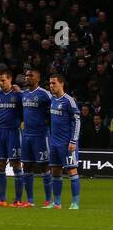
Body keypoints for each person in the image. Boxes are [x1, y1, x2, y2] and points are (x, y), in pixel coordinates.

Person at [46, 73, 80, 210]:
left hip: (67, 144)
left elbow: (77, 121)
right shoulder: (53, 99)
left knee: (72, 171)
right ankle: (57, 203)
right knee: (55, 171)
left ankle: (75, 203)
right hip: (54, 143)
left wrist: (73, 140)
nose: (51, 86)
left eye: (54, 83)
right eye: (50, 83)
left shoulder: (69, 101)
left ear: (61, 84)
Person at [0, 66, 25, 207]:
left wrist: (21, 92)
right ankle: (2, 199)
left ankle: (17, 200)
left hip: (14, 132)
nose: (0, 83)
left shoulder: (18, 95)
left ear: (10, 79)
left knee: (16, 164)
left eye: (3, 80)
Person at [19, 65, 51, 207]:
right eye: (26, 75)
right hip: (26, 136)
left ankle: (49, 200)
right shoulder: (24, 94)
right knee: (26, 166)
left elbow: (55, 106)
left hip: (40, 135)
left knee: (44, 166)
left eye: (31, 75)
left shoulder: (44, 94)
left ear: (38, 78)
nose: (27, 77)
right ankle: (30, 200)